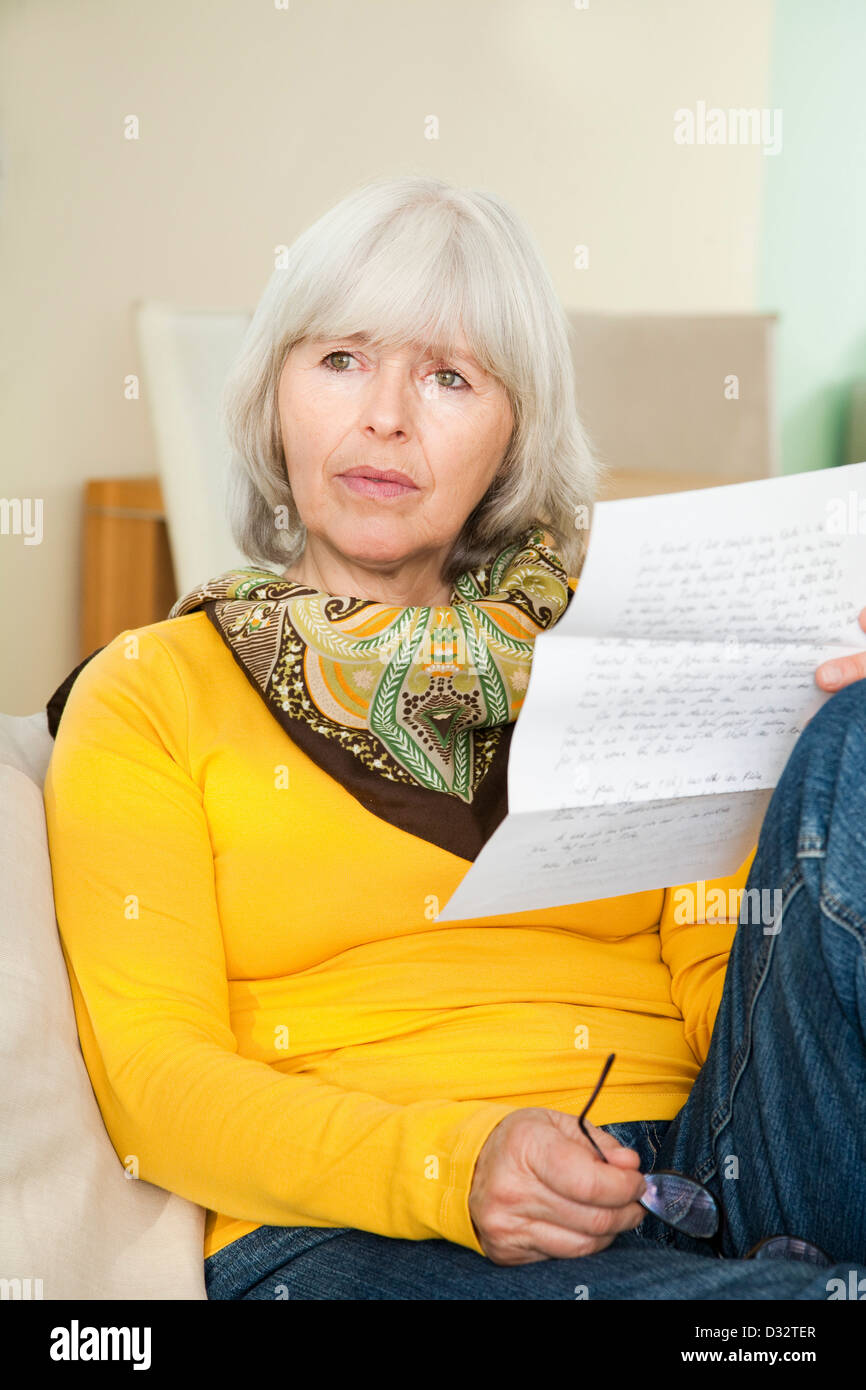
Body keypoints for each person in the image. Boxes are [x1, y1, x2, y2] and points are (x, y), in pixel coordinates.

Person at [43, 174, 866, 1300]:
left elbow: (729, 986)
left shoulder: (619, 650)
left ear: (510, 434)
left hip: (698, 1165)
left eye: (446, 377)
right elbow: (153, 1082)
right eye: (340, 360)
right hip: (368, 1222)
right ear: (273, 393)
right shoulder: (150, 690)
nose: (384, 416)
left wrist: (805, 745)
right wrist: (454, 1168)